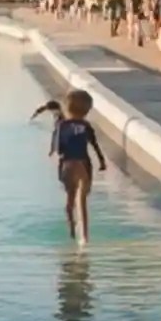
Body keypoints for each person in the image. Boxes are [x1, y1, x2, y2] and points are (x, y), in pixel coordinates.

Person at [49, 90, 107, 245]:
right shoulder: (85, 125)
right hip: (83, 162)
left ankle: (72, 230)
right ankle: (85, 237)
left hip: (67, 163)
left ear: (67, 107)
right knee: (82, 200)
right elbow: (94, 145)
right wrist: (102, 161)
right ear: (88, 110)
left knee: (69, 201)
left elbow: (58, 147)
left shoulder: (62, 125)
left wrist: (53, 153)